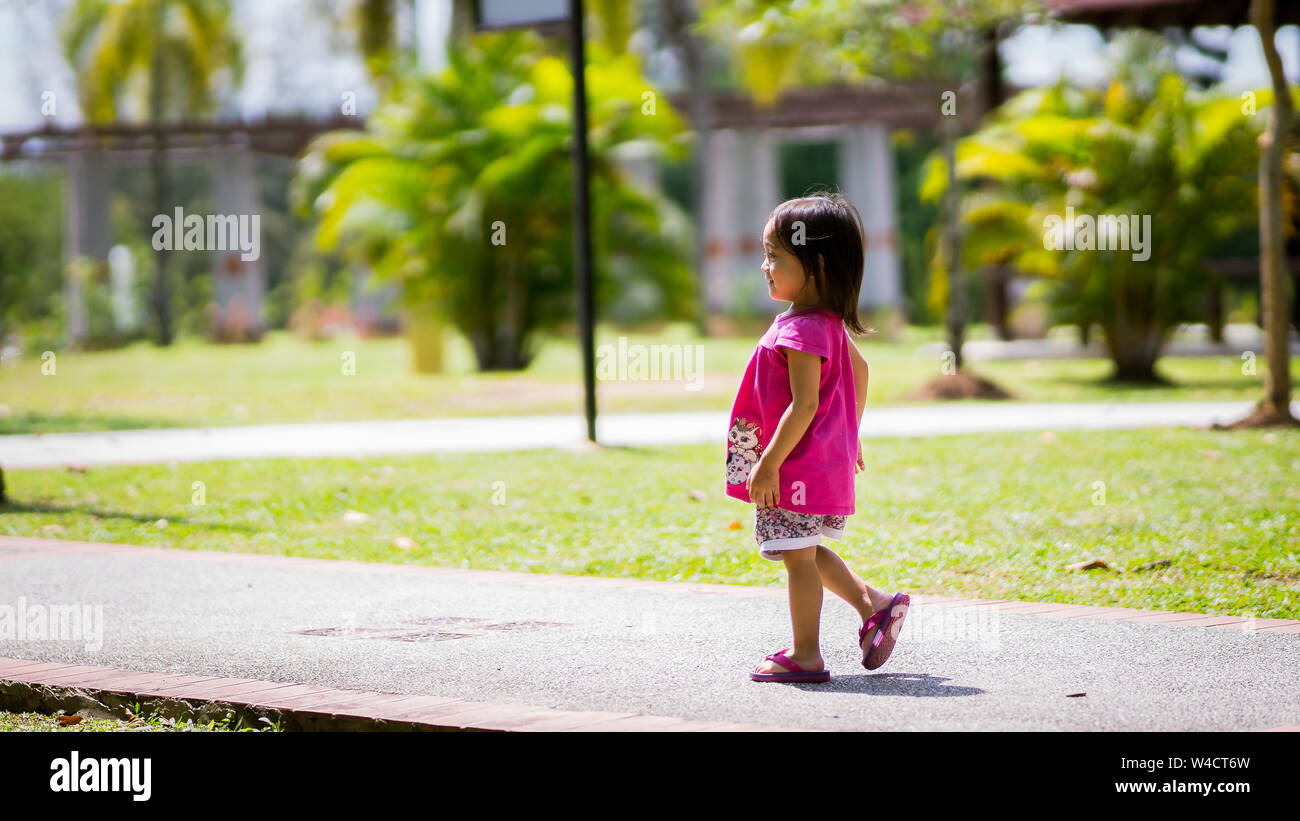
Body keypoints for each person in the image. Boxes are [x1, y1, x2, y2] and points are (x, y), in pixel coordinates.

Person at [724, 192, 910, 683]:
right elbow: (861, 371)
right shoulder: (823, 323)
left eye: (775, 256)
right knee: (801, 546)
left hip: (794, 465)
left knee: (797, 557)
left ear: (817, 266)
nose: (765, 266)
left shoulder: (803, 327)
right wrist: (849, 432)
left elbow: (803, 404)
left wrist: (768, 462)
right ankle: (876, 603)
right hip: (814, 461)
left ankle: (806, 655)